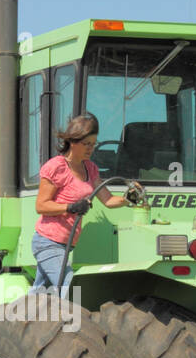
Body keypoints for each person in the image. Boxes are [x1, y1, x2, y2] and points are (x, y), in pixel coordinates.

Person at [30, 113, 139, 295]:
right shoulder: (56, 167)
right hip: (47, 242)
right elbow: (41, 205)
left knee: (39, 295)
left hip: (66, 245)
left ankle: (22, 319)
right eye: (86, 144)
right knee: (69, 283)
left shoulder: (90, 168)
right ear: (73, 141)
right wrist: (70, 207)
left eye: (93, 143)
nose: (91, 148)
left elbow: (108, 200)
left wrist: (129, 199)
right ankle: (72, 322)